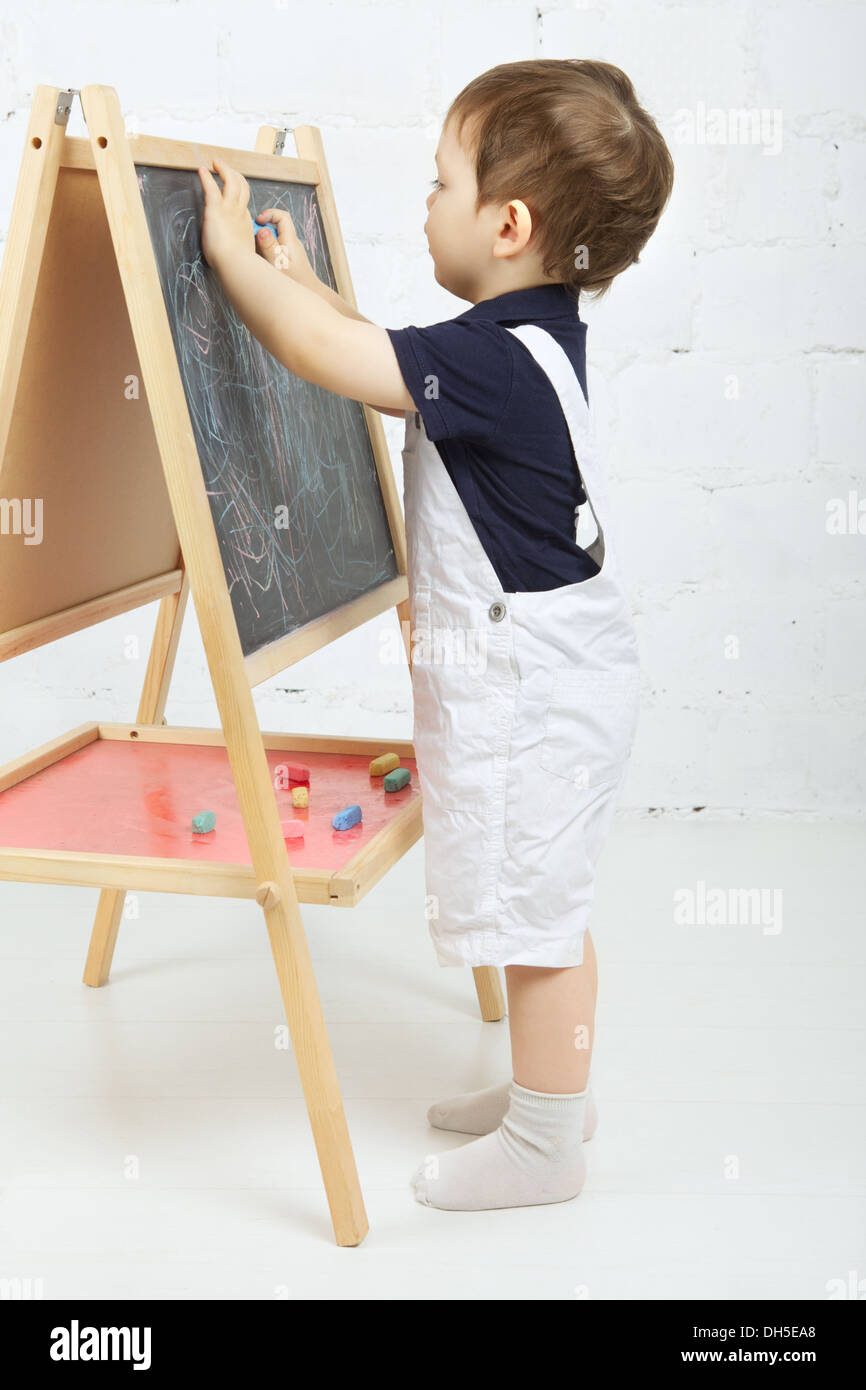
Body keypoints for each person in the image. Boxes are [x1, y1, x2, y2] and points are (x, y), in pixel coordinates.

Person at [199, 57, 675, 1213]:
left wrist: (234, 270)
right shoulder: (519, 344)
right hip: (549, 680)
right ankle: (546, 1093)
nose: (422, 201)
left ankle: (545, 1144)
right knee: (538, 903)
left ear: (506, 224)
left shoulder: (488, 363)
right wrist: (309, 277)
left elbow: (333, 359)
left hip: (534, 691)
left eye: (439, 180)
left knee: (538, 917)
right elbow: (381, 356)